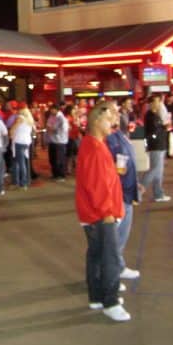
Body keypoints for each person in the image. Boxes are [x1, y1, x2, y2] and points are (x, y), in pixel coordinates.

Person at [75, 104, 129, 322]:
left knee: (96, 256)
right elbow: (97, 186)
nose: (112, 123)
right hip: (100, 214)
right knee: (110, 258)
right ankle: (111, 301)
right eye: (108, 119)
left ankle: (96, 297)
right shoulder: (95, 148)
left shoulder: (94, 145)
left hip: (92, 213)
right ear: (96, 121)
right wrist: (107, 212)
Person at [105, 106, 141, 282]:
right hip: (119, 195)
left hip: (127, 193)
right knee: (114, 239)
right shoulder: (112, 140)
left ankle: (118, 267)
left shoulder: (122, 138)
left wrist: (136, 183)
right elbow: (116, 169)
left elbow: (127, 165)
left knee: (121, 237)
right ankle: (111, 274)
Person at [143, 96, 171, 202]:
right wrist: (163, 127)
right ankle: (139, 190)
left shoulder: (156, 115)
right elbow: (153, 131)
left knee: (159, 172)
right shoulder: (150, 116)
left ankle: (158, 194)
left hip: (160, 145)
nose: (158, 103)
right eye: (156, 101)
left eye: (159, 101)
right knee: (154, 170)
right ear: (151, 104)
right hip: (155, 146)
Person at [9, 103, 34, 189]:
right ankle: (18, 181)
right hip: (26, 141)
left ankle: (22, 182)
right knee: (19, 162)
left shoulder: (20, 118)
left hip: (19, 141)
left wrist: (11, 134)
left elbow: (13, 129)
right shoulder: (29, 119)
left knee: (20, 162)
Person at [46, 103, 69, 181]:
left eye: (52, 109)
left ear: (56, 109)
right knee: (52, 159)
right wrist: (50, 129)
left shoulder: (61, 118)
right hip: (52, 141)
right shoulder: (51, 117)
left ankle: (61, 175)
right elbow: (48, 125)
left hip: (60, 141)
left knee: (59, 159)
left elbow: (63, 130)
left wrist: (53, 130)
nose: (51, 111)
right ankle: (55, 174)